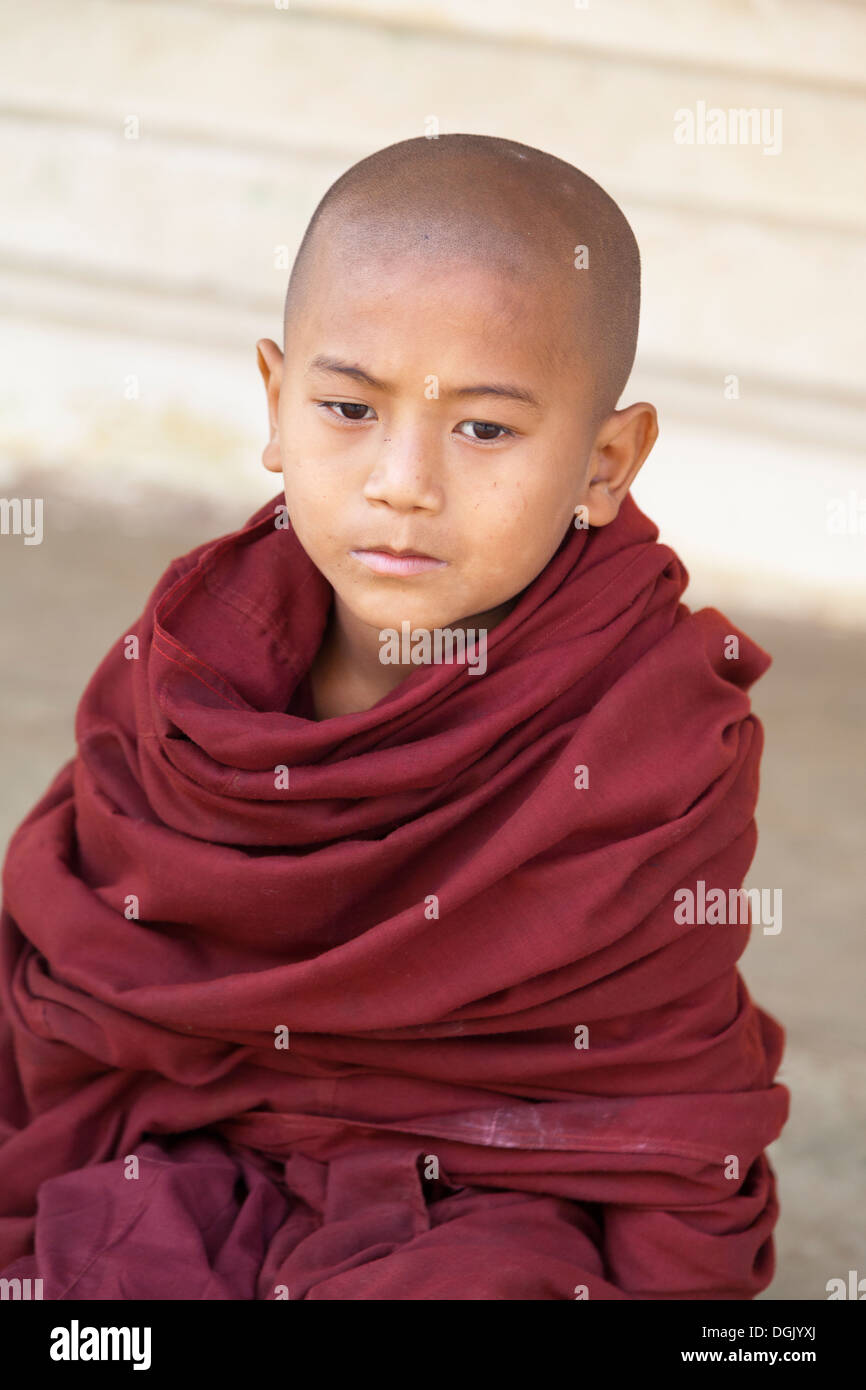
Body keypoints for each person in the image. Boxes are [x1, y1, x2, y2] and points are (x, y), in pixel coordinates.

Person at [0, 134, 787, 1300]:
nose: (402, 480)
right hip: (192, 1140)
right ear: (274, 401)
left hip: (498, 1188)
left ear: (604, 460)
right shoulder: (185, 672)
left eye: (483, 429)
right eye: (347, 407)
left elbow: (657, 1083)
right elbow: (79, 989)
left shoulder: (650, 716)